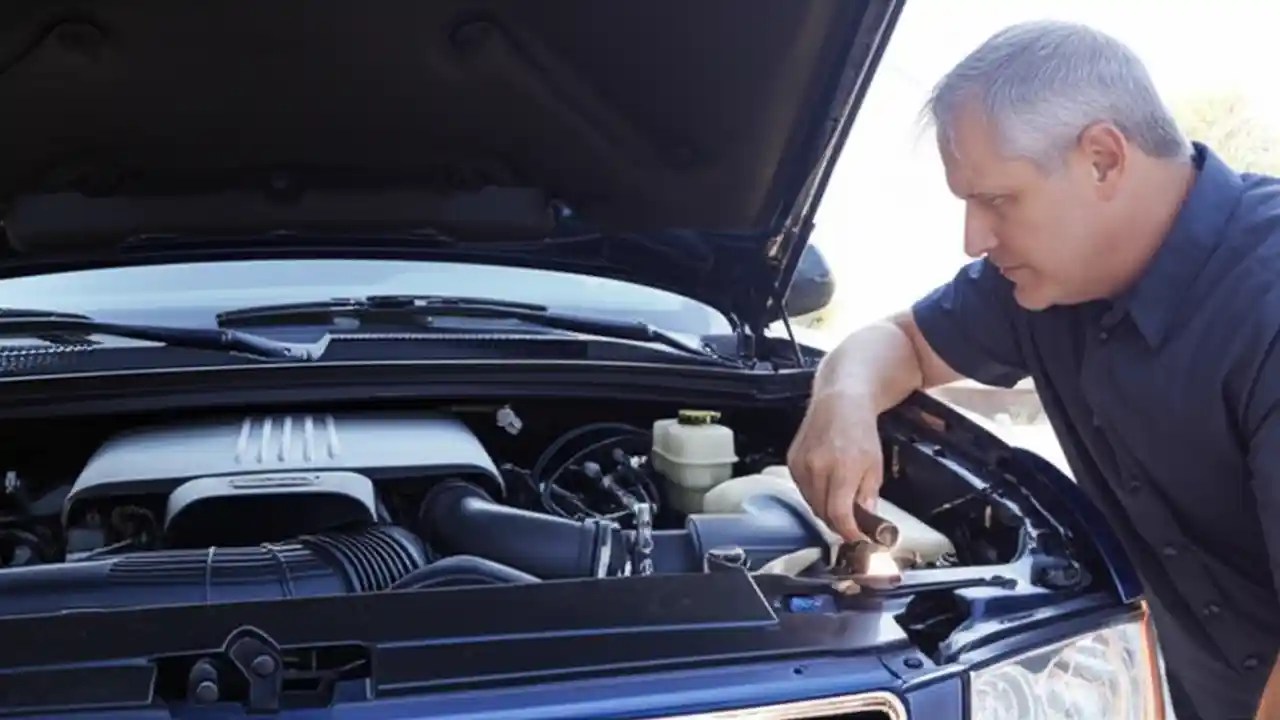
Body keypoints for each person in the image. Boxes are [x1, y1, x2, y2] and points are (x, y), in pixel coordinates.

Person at [786, 19, 1280, 720]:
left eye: (997, 201)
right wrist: (839, 402)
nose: (973, 238)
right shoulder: (1041, 289)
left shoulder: (1266, 306)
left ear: (1103, 159)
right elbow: (898, 342)